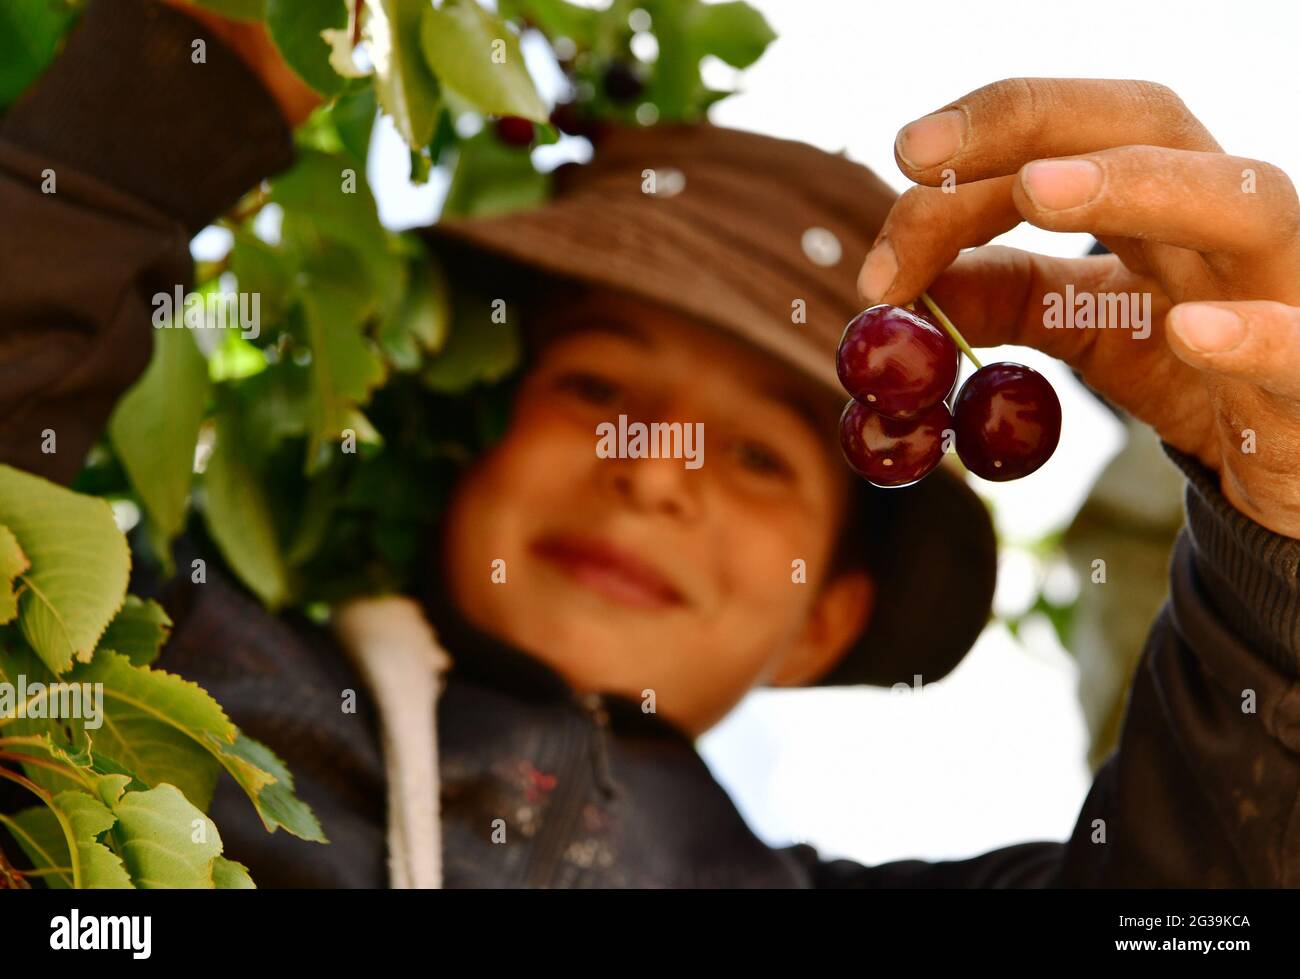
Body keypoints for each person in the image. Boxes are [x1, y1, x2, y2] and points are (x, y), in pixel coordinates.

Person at [1, 0, 1296, 888]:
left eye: (760, 460)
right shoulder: (157, 680)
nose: (656, 467)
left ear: (830, 620)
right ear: (467, 460)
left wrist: (1274, 543)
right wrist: (162, 113)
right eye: (598, 387)